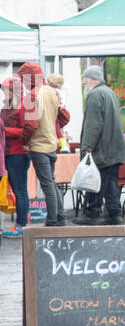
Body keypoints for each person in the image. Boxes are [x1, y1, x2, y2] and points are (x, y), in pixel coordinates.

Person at [75, 65, 125, 225]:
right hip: (114, 149)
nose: (84, 83)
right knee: (111, 183)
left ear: (93, 80)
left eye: (85, 79)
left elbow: (93, 124)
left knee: (94, 181)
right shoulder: (110, 93)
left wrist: (87, 147)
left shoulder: (95, 95)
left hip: (102, 150)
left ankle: (91, 213)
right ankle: (115, 214)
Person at [1, 67, 39, 237]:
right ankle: (20, 222)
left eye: (6, 90)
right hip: (6, 154)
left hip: (18, 154)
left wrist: (4, 130)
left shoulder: (22, 107)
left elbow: (26, 130)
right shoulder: (5, 107)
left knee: (20, 190)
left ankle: (21, 224)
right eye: (3, 90)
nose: (4, 93)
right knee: (12, 189)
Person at [28, 65, 67, 227]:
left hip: (40, 144)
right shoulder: (55, 94)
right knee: (51, 181)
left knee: (47, 184)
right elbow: (64, 119)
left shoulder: (38, 94)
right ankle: (60, 216)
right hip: (51, 143)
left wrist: (25, 140)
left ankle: (53, 219)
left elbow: (31, 123)